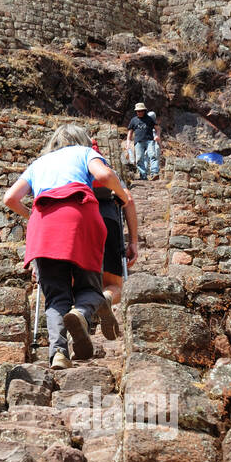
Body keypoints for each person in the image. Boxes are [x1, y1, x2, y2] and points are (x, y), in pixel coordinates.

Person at [3, 124, 135, 369]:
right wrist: (123, 196)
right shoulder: (85, 153)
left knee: (55, 295)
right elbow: (104, 176)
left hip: (44, 225)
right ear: (82, 139)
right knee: (89, 284)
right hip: (80, 218)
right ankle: (82, 313)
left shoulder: (38, 164)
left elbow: (9, 198)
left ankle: (58, 355)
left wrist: (31, 214)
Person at [90, 138, 140, 339]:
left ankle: (81, 318)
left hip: (75, 227)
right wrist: (133, 241)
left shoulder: (68, 172)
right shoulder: (109, 172)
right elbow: (129, 200)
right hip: (108, 223)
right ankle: (106, 298)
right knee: (115, 286)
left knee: (78, 284)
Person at [125, 102, 161, 179]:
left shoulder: (149, 119)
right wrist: (128, 142)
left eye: (141, 111)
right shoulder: (133, 120)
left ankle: (154, 173)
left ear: (144, 111)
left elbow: (157, 128)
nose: (140, 112)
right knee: (139, 159)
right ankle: (143, 175)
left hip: (149, 141)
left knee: (152, 155)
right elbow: (130, 132)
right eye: (138, 111)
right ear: (136, 112)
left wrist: (157, 136)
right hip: (138, 142)